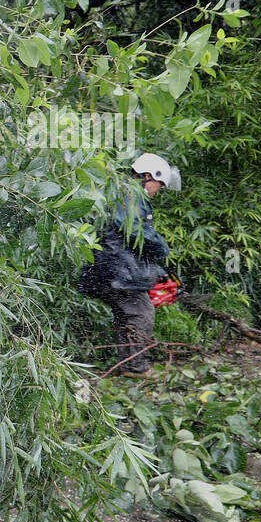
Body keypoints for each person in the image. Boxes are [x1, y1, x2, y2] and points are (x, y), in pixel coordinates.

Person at [79, 153, 181, 376]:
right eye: (159, 185)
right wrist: (161, 247)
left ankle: (127, 367)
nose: (158, 191)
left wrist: (158, 271)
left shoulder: (121, 192)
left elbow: (125, 238)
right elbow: (132, 231)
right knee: (141, 314)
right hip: (118, 270)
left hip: (110, 267)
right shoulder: (130, 195)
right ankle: (137, 367)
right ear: (147, 176)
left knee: (127, 316)